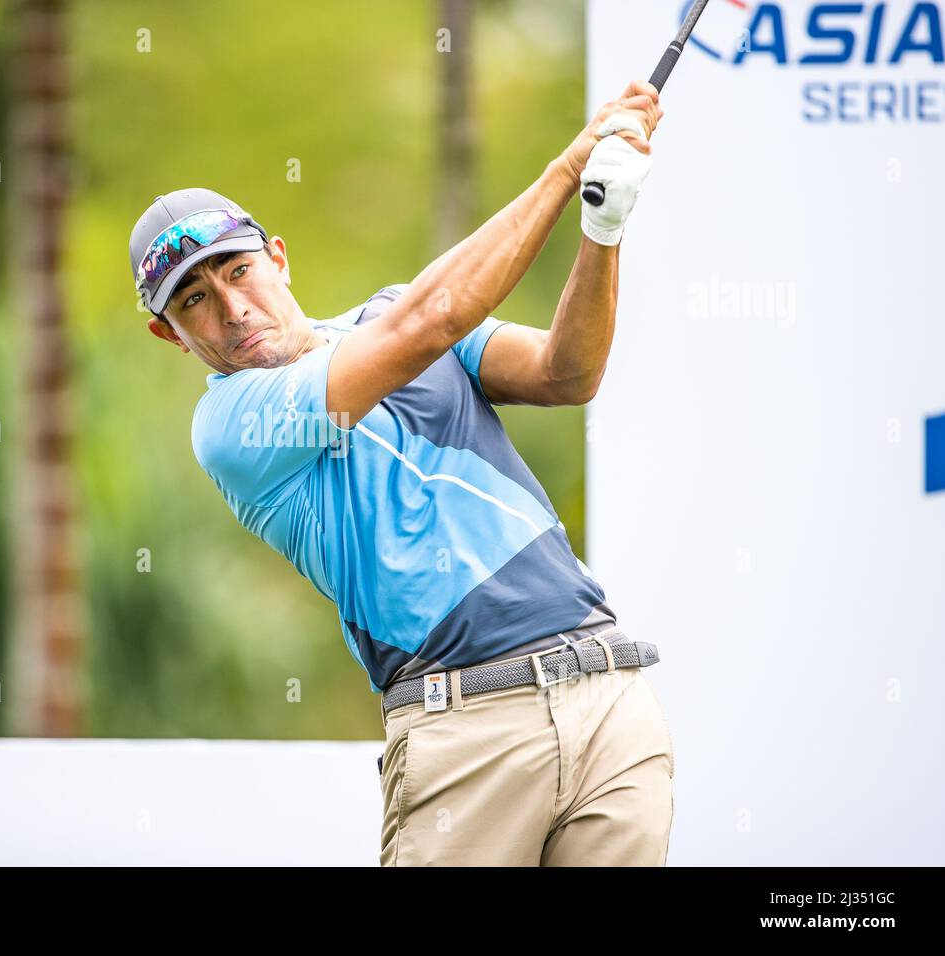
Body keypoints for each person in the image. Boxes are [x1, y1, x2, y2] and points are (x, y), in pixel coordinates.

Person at [128, 80, 675, 866]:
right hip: (466, 730)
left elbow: (566, 373)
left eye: (236, 272)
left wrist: (603, 222)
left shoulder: (386, 310)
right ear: (168, 334)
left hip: (608, 691)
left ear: (277, 257)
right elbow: (431, 320)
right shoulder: (230, 424)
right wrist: (570, 165)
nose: (231, 308)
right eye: (193, 300)